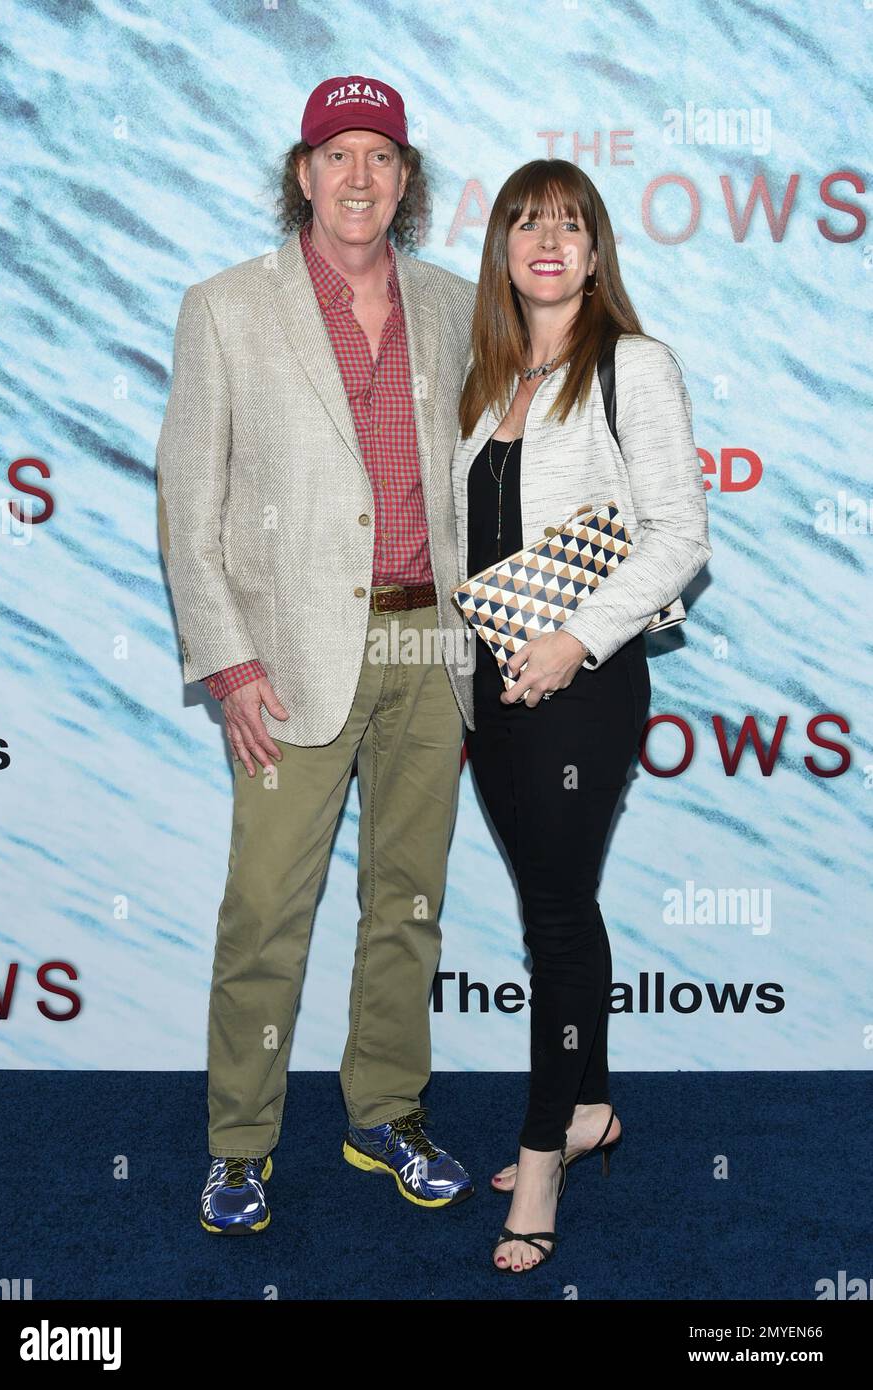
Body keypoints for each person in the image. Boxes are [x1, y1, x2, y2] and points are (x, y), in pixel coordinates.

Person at [156, 74, 478, 1233]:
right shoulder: (228, 306)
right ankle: (240, 1144)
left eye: (381, 158)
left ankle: (384, 1113)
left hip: (432, 648)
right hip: (289, 660)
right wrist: (228, 661)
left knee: (409, 904)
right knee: (265, 911)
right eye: (336, 156)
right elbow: (187, 501)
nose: (359, 178)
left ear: (406, 181)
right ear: (302, 174)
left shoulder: (451, 305)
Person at [451, 158, 712, 1272]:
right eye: (525, 223)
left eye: (569, 225)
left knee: (554, 921)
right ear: (502, 248)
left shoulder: (633, 365)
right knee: (555, 902)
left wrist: (574, 641)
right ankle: (593, 1100)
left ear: (597, 252)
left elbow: (678, 535)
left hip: (584, 685)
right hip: (492, 688)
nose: (547, 242)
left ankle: (544, 1153)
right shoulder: (484, 375)